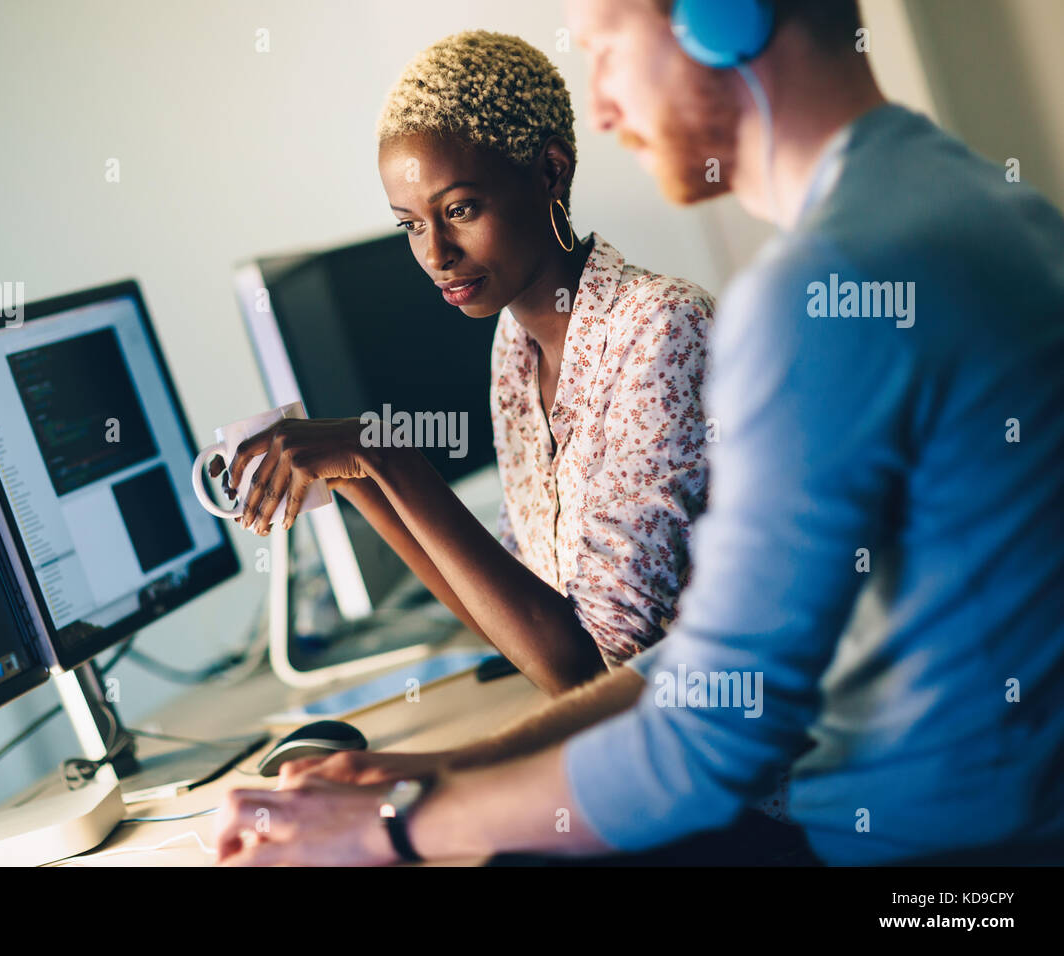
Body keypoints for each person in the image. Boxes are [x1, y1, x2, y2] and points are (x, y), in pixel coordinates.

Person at [215, 0, 1064, 866]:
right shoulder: (982, 206)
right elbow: (704, 662)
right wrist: (423, 770)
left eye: (609, 47)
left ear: (720, 19)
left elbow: (705, 731)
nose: (606, 107)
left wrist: (394, 825)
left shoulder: (820, 287)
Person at [219, 31, 714, 694]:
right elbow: (517, 631)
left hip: (731, 767)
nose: (435, 254)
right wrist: (360, 477)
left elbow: (589, 674)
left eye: (459, 210)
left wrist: (388, 455)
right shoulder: (514, 347)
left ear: (550, 173)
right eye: (411, 225)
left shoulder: (661, 329)